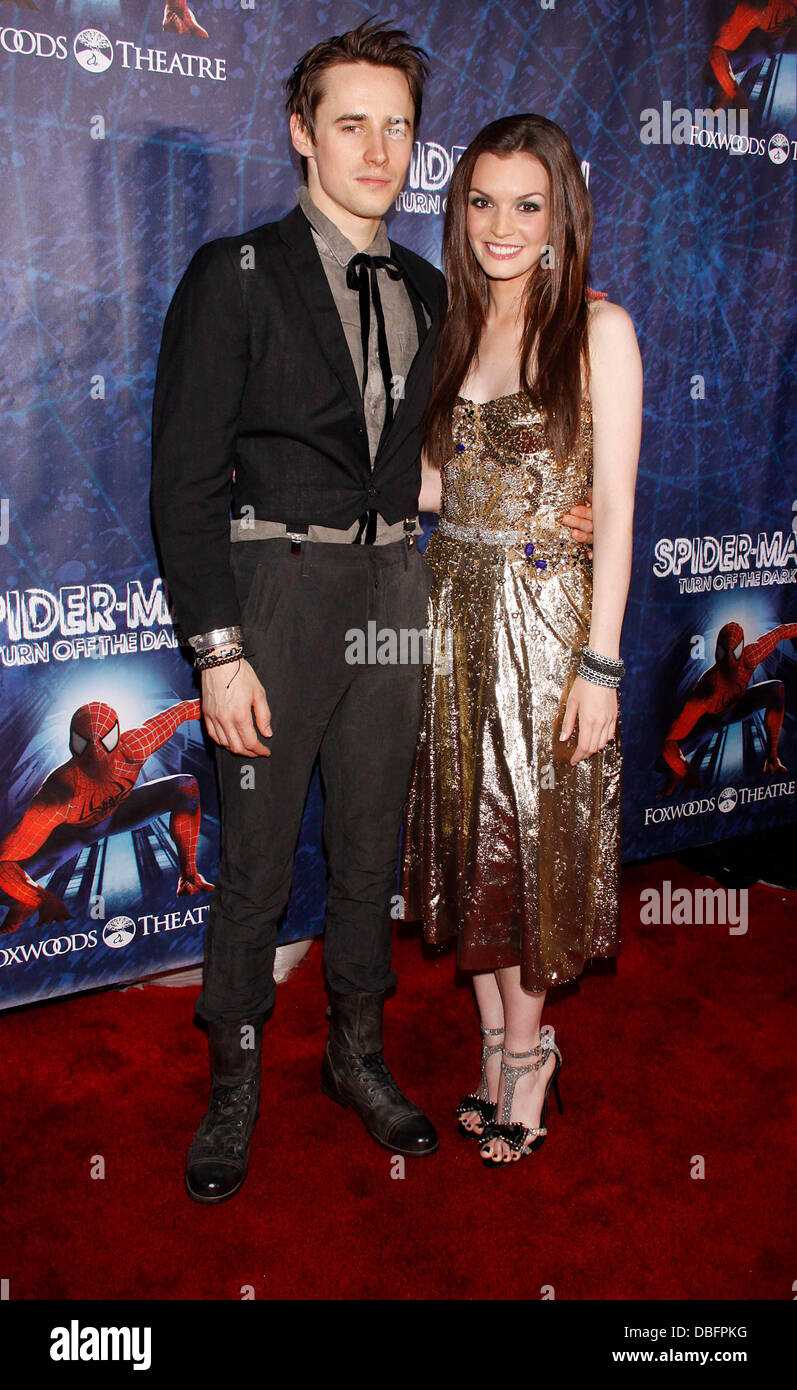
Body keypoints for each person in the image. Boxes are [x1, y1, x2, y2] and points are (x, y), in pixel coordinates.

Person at [151, 20, 595, 1203]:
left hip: (401, 589)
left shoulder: (430, 288)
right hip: (275, 597)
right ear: (301, 134)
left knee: (367, 851)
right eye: (350, 122)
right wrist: (217, 652)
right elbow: (181, 484)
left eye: (397, 125)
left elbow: (440, 467)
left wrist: (548, 508)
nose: (378, 148)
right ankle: (233, 1081)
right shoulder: (232, 273)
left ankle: (358, 1055)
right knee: (252, 858)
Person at [402, 114, 642, 1165]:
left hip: (547, 621)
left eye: (526, 205)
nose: (501, 224)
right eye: (482, 201)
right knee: (472, 837)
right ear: (460, 211)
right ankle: (500, 1041)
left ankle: (530, 1054)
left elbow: (618, 509)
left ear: (560, 219)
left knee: (534, 836)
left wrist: (599, 664)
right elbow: (435, 488)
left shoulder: (598, 331)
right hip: (450, 609)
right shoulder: (452, 323)